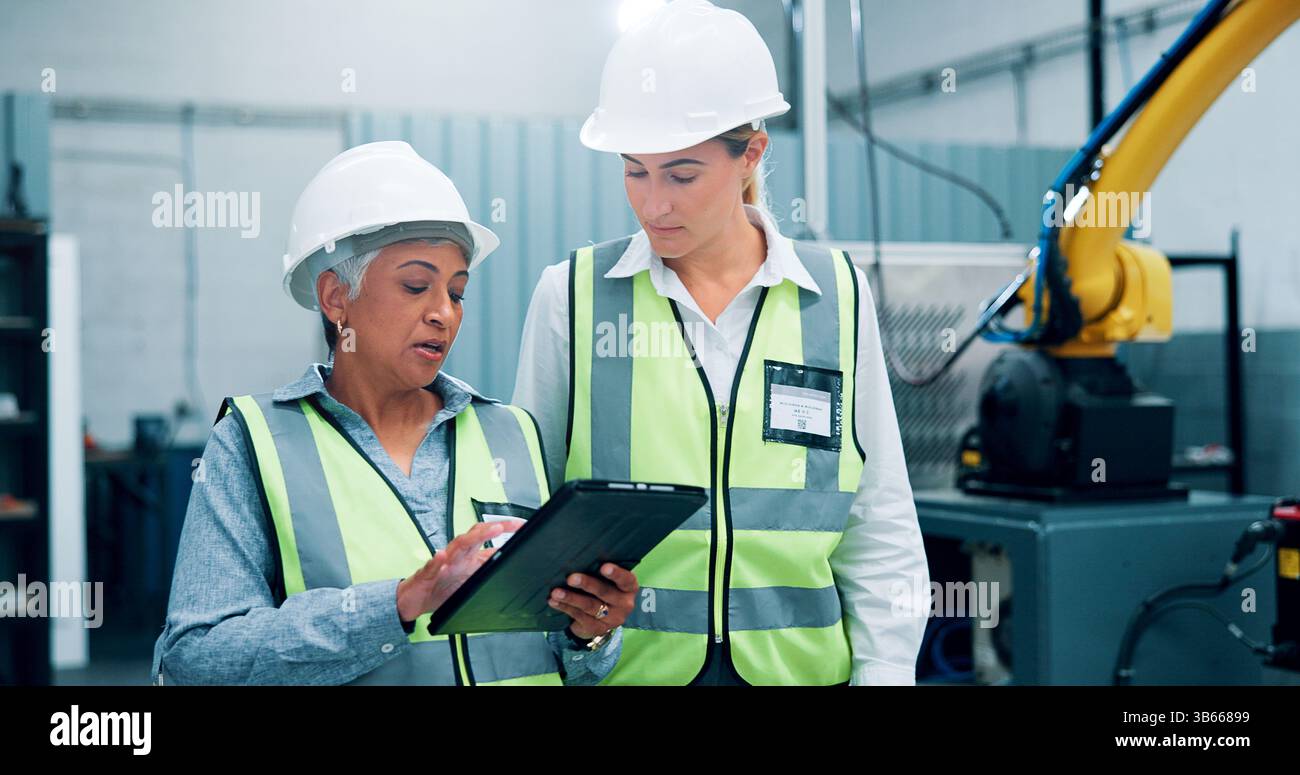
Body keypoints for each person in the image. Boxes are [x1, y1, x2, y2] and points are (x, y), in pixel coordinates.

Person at [513, 0, 929, 685]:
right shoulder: (573, 297)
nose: (654, 204)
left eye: (681, 175)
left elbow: (878, 517)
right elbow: (527, 519)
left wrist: (885, 672)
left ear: (750, 155)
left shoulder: (837, 295)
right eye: (634, 171)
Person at [152, 141, 636, 685]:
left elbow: (570, 665)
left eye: (457, 293)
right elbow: (198, 659)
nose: (443, 313)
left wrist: (590, 632)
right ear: (336, 298)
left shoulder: (512, 433)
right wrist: (399, 605)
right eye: (415, 286)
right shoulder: (255, 444)